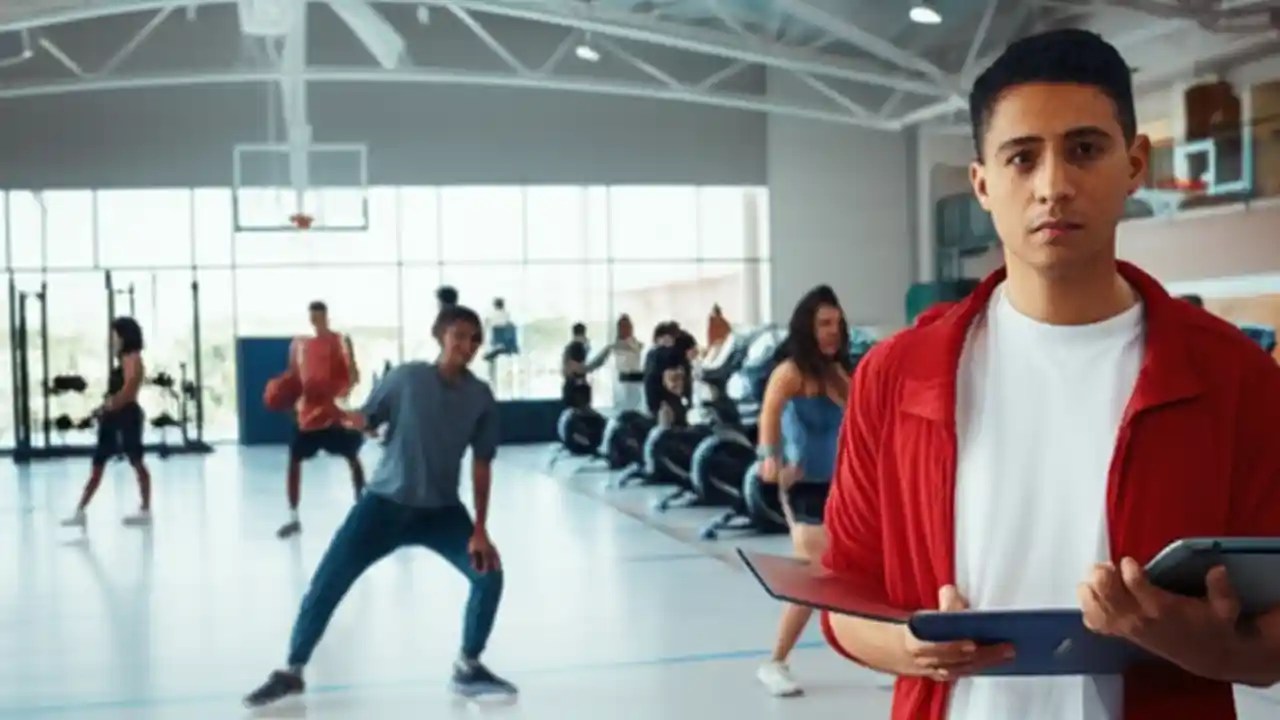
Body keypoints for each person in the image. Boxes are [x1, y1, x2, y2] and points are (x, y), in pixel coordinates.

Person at [820, 28, 1280, 720]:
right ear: (982, 182)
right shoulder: (895, 377)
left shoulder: (1234, 377)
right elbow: (841, 599)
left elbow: (1272, 644)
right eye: (1022, 158)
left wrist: (1190, 642)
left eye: (1085, 150)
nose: (1054, 186)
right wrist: (916, 648)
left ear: (1134, 164)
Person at [243, 304, 516, 708]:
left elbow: (481, 464)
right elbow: (370, 419)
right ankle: (293, 670)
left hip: (441, 511)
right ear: (441, 336)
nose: (468, 345)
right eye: (459, 335)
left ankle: (468, 665)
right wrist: (343, 417)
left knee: (488, 574)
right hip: (383, 506)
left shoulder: (480, 397)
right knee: (328, 580)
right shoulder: (407, 378)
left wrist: (479, 529)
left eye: (475, 338)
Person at [754, 285, 854, 697]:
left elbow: (862, 421)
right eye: (824, 324)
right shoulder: (791, 371)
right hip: (804, 487)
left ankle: (876, 652)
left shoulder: (837, 375)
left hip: (843, 487)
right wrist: (769, 456)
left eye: (837, 324)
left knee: (852, 574)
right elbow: (769, 413)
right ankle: (774, 662)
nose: (832, 332)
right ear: (807, 328)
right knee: (814, 577)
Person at [276, 301, 364, 540]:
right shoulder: (301, 346)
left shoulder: (339, 342)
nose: (316, 322)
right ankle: (294, 518)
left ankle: (362, 509)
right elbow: (294, 378)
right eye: (313, 318)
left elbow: (354, 375)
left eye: (320, 317)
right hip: (308, 419)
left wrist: (340, 392)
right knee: (294, 460)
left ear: (326, 317)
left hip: (334, 414)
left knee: (353, 458)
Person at [61, 316, 152, 528]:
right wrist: (104, 408)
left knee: (137, 462)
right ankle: (80, 511)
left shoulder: (133, 359)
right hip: (112, 417)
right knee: (98, 464)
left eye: (114, 335)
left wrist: (109, 405)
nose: (111, 340)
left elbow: (129, 391)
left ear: (124, 336)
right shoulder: (123, 360)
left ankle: (145, 509)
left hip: (127, 416)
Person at [586, 314, 645, 411]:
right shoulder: (612, 349)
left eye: (627, 326)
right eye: (622, 327)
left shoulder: (640, 347)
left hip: (637, 393)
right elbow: (595, 364)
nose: (625, 329)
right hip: (619, 393)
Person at [561, 322, 592, 410]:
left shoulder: (569, 348)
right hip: (576, 386)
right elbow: (578, 368)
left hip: (570, 384)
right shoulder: (578, 346)